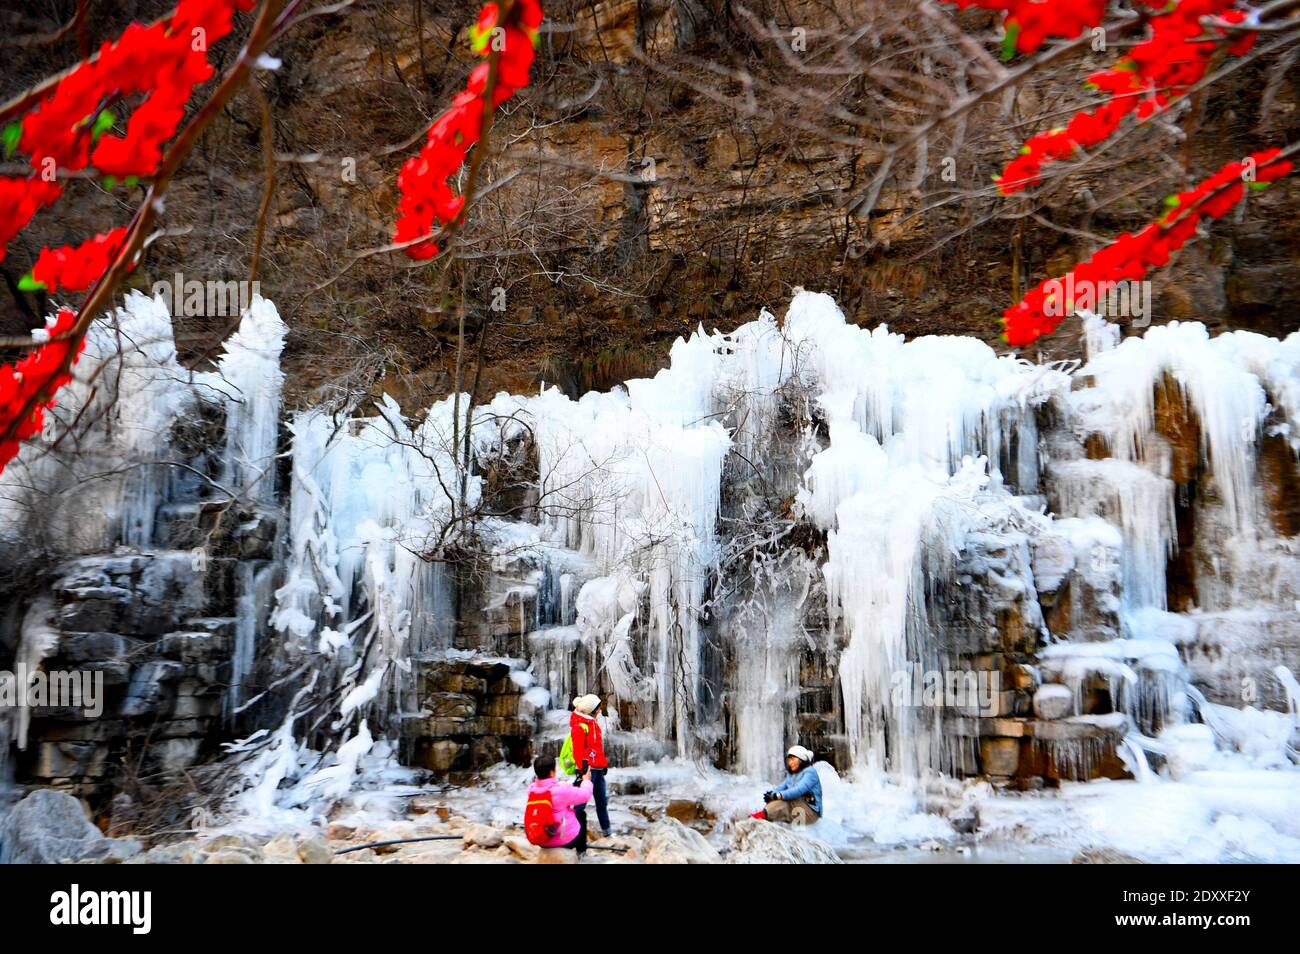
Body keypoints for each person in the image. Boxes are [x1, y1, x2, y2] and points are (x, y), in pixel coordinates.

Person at [524, 754, 593, 856]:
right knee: (580, 814)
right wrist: (586, 780)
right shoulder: (561, 790)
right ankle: (581, 853)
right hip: (564, 841)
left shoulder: (531, 790)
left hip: (541, 840)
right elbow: (585, 795)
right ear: (552, 772)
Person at [569, 693, 611, 836]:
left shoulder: (593, 724)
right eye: (597, 709)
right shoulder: (580, 727)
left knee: (602, 802)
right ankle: (572, 832)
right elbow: (578, 751)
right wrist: (583, 769)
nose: (599, 711)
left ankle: (607, 832)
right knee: (580, 804)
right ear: (591, 710)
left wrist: (603, 764)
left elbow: (597, 749)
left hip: (598, 769)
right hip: (587, 770)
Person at [760, 745, 822, 825]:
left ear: (801, 759)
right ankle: (764, 815)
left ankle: (761, 815)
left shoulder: (810, 773)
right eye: (789, 760)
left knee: (789, 799)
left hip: (810, 813)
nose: (790, 763)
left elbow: (798, 790)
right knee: (781, 799)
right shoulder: (793, 774)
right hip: (798, 809)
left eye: (793, 759)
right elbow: (782, 787)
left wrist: (778, 795)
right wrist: (771, 793)